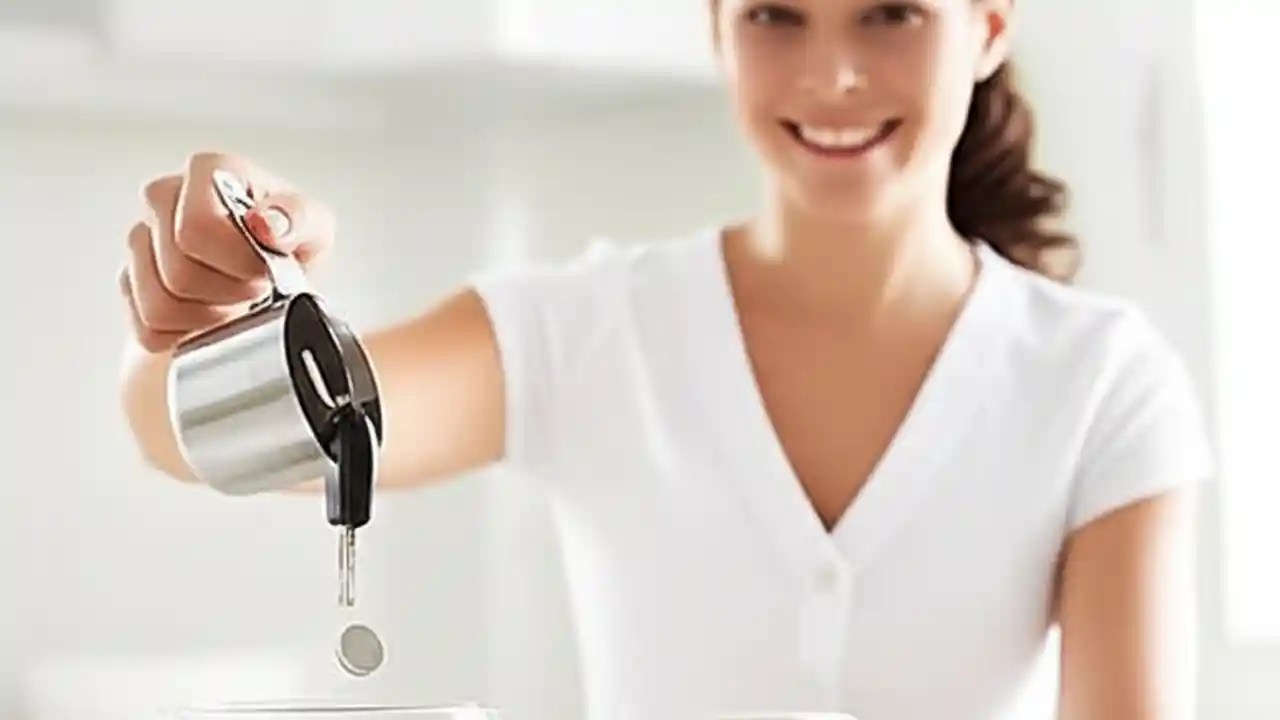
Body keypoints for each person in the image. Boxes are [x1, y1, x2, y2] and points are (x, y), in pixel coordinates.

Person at [116, 0, 1215, 718]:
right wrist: (205, 303)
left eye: (889, 14)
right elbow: (197, 436)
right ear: (716, 31)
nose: (831, 73)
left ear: (984, 25)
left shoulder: (1101, 386)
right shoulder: (585, 331)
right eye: (776, 16)